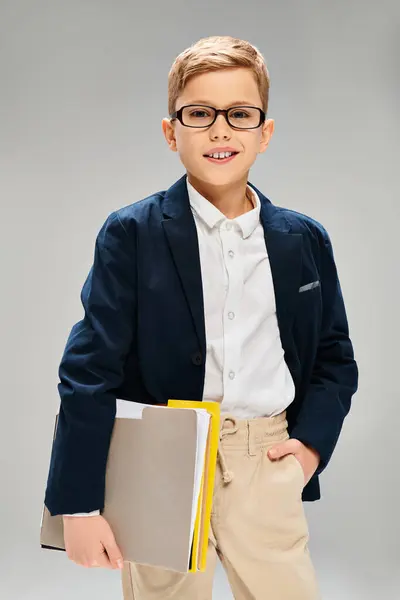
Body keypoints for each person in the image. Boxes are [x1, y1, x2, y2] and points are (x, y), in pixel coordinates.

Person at [44, 35, 359, 599]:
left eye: (240, 114)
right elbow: (88, 370)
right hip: (160, 460)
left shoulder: (303, 240)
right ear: (172, 132)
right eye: (199, 114)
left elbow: (335, 357)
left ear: (264, 132)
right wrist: (79, 505)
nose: (220, 131)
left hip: (264, 457)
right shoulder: (131, 234)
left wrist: (310, 447)